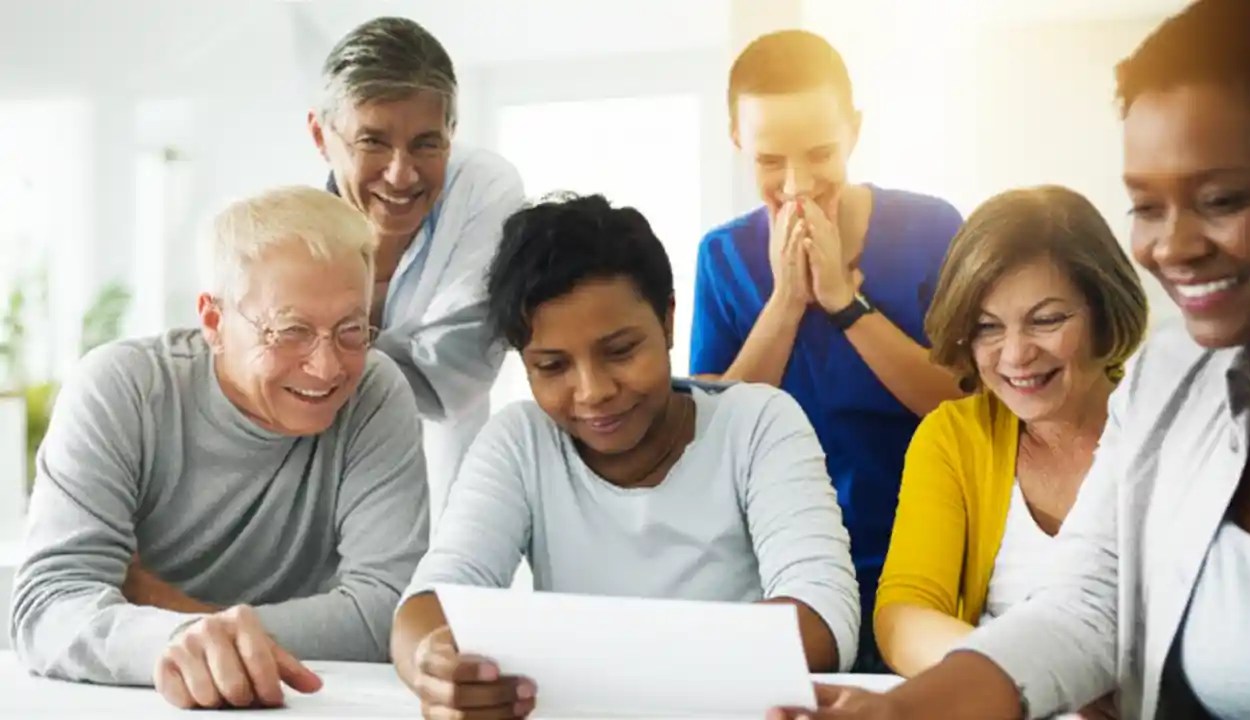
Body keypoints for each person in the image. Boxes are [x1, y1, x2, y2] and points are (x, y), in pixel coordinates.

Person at [768, 0, 1250, 717]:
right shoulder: (1173, 380)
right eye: (1145, 207)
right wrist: (896, 712)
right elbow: (1087, 606)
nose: (1172, 246)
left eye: (1221, 199)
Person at [391, 194, 861, 718]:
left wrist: (623, 667)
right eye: (552, 366)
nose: (593, 391)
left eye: (620, 352)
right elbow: (429, 602)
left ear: (668, 320)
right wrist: (432, 667)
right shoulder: (521, 441)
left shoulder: (757, 423)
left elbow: (823, 616)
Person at [7, 187, 431, 710]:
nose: (327, 368)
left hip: (301, 703)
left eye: (351, 330)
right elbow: (47, 607)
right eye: (291, 331)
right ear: (213, 321)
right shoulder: (122, 389)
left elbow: (389, 612)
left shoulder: (374, 392)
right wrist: (176, 643)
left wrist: (173, 613)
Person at [690, 30, 964, 668]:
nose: (797, 185)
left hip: (926, 555)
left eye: (820, 154)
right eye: (769, 160)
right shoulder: (722, 256)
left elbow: (963, 402)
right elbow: (711, 439)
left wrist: (844, 300)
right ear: (736, 142)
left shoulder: (933, 229)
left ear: (854, 132)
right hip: (782, 570)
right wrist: (786, 303)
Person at [874, 187, 1148, 687]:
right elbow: (903, 617)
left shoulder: (1165, 430)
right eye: (987, 327)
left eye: (1046, 320)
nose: (1016, 354)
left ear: (1104, 312)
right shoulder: (953, 437)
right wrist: (1022, 677)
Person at [308, 16, 525, 506]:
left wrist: (327, 356)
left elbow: (452, 378)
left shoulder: (483, 187)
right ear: (321, 136)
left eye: (426, 144)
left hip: (443, 497)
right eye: (372, 142)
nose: (401, 175)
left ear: (452, 133)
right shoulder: (285, 224)